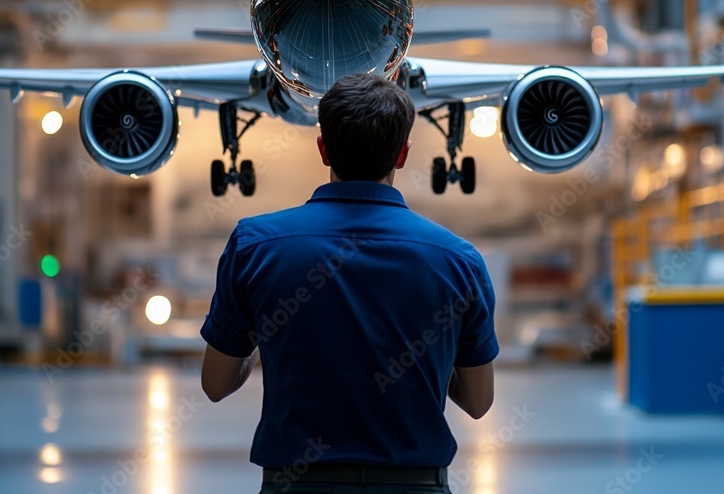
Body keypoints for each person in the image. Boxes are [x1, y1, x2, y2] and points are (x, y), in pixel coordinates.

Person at [200, 73, 499, 494]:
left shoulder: (255, 245)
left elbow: (215, 385)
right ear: (402, 154)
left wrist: (259, 340)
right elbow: (478, 401)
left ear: (323, 149)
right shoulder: (458, 259)